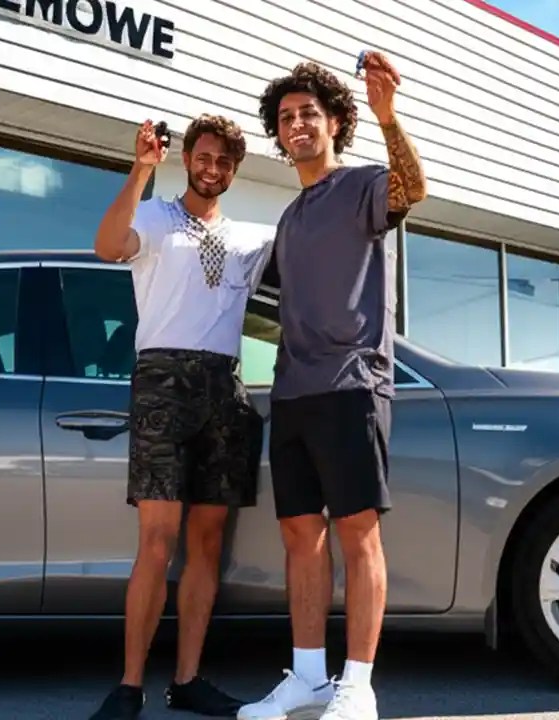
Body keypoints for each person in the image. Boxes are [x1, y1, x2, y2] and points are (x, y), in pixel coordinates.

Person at [237, 53, 427, 720]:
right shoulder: (289, 219)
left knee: (357, 536)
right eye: (286, 117)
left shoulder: (362, 186)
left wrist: (388, 117)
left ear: (335, 123)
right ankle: (309, 677)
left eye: (309, 114)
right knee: (299, 537)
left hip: (352, 384)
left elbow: (412, 190)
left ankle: (358, 684)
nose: (296, 125)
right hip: (292, 394)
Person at [88, 114, 273, 720]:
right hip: (163, 383)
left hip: (226, 386)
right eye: (205, 156)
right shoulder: (156, 217)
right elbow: (107, 247)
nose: (213, 168)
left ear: (233, 171)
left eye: (224, 161)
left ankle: (189, 680)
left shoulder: (252, 239)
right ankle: (130, 685)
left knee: (207, 543)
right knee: (156, 542)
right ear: (188, 157)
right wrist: (142, 168)